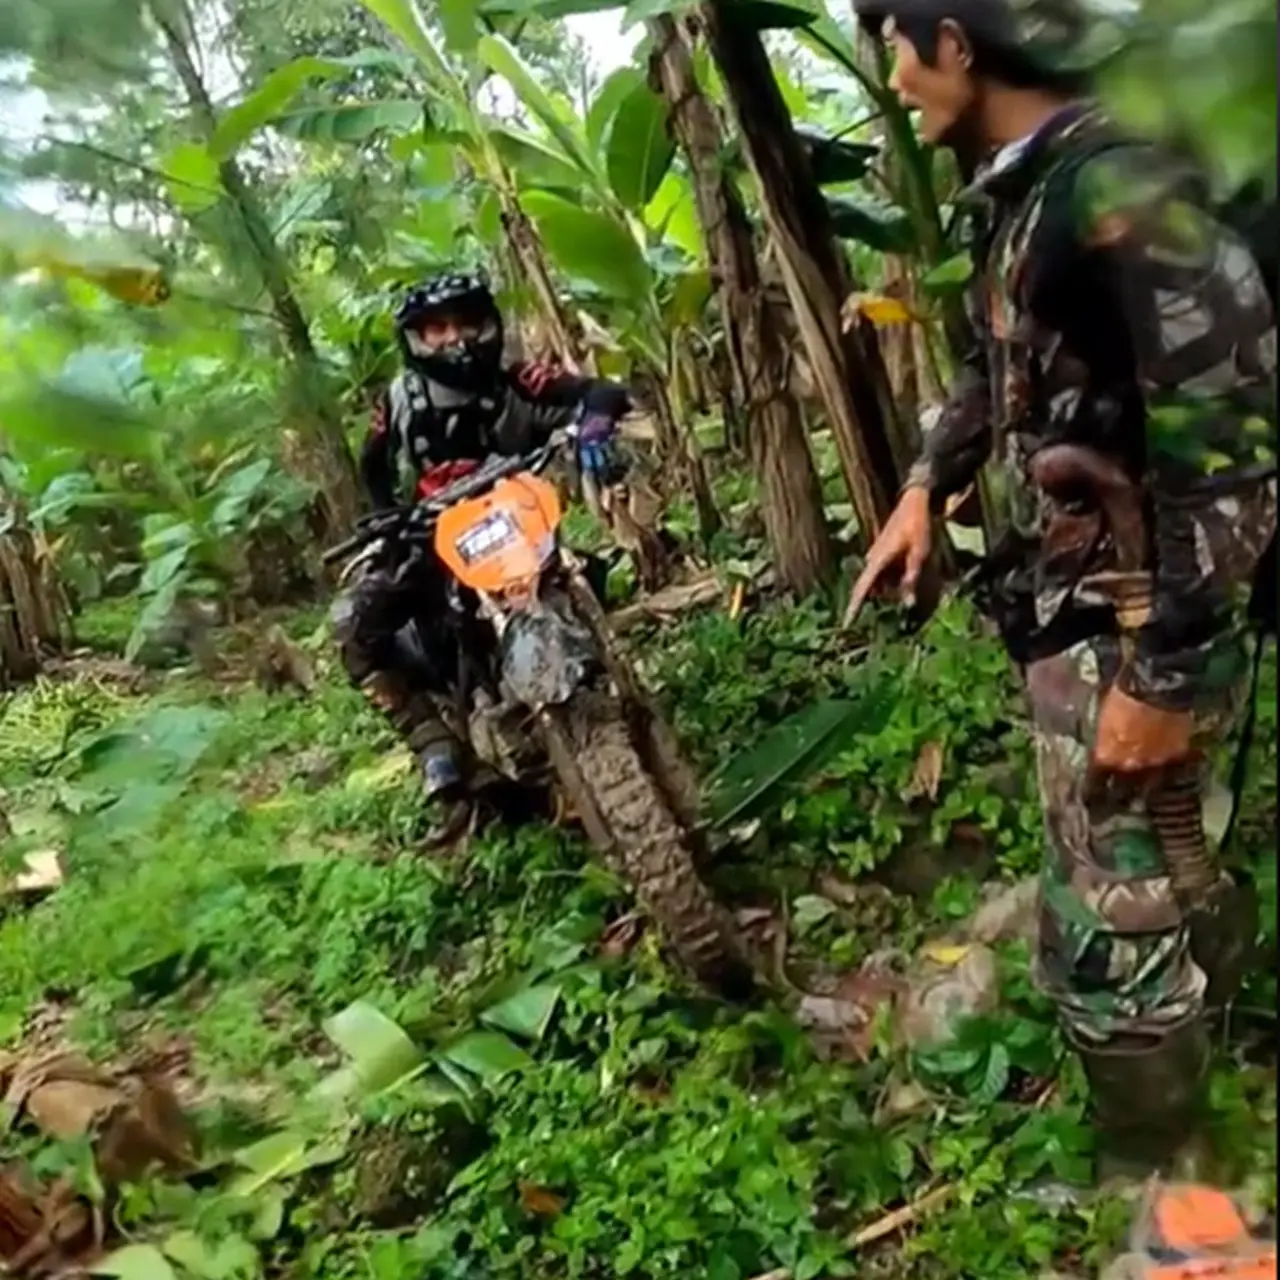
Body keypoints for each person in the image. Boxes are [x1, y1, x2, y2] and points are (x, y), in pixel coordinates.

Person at [847, 0, 1277, 1182]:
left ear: (958, 40)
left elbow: (1233, 448)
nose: (888, 74)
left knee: (1110, 921)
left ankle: (1161, 1172)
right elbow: (1001, 363)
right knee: (1136, 869)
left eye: (893, 40)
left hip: (1144, 614)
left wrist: (1165, 673)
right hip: (1093, 602)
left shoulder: (1116, 193)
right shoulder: (1031, 195)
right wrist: (925, 486)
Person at [331, 271, 631, 819]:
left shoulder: (517, 379)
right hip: (432, 534)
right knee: (355, 624)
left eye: (466, 322)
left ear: (487, 323)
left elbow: (597, 392)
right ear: (416, 337)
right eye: (437, 327)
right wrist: (387, 521)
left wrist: (594, 425)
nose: (455, 338)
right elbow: (372, 463)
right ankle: (432, 741)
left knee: (581, 575)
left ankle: (600, 684)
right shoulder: (398, 398)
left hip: (515, 520)